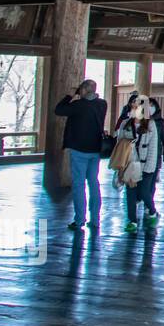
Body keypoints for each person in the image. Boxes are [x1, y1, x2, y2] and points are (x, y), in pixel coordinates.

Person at [54, 79, 109, 231]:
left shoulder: (78, 106)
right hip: (95, 150)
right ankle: (96, 219)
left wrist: (69, 95)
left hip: (79, 150)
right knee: (93, 183)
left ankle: (79, 220)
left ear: (84, 90)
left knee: (78, 185)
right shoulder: (102, 104)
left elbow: (58, 110)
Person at [118, 95, 164, 233]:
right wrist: (120, 167)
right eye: (133, 106)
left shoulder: (151, 124)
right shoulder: (125, 124)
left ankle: (152, 211)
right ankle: (132, 221)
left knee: (144, 191)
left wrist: (150, 168)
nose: (134, 109)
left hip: (146, 165)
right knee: (130, 193)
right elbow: (119, 145)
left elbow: (153, 148)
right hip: (130, 164)